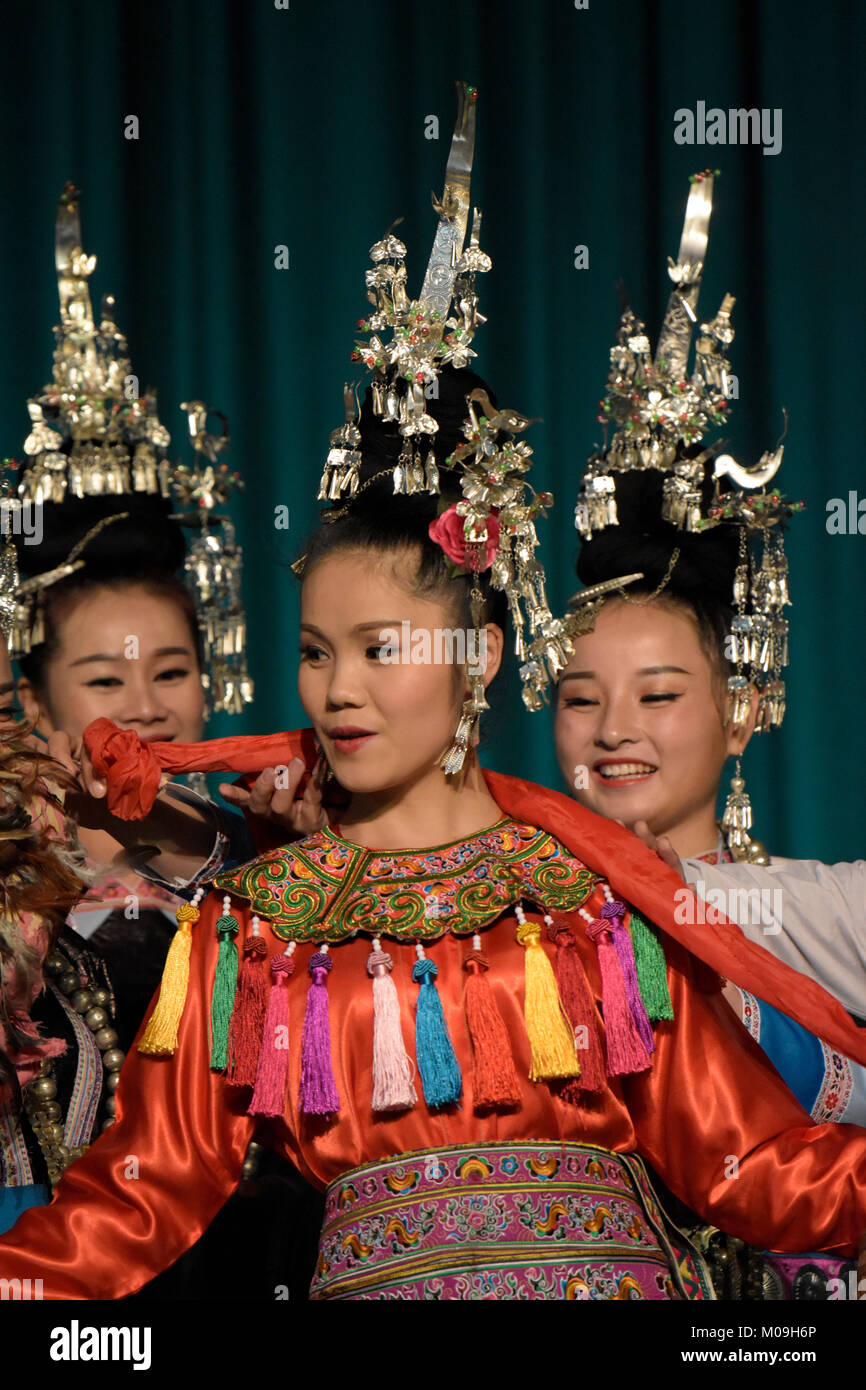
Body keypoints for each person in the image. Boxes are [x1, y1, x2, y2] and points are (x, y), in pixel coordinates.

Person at [2, 93, 866, 1300]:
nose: (337, 688)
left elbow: (760, 1172)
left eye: (378, 648)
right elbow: (137, 1195)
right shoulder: (251, 931)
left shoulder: (591, 906)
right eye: (314, 652)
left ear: (479, 656)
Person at [554, 169, 865, 1297]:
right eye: (579, 695)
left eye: (657, 692)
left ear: (741, 707)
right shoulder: (518, 911)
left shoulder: (810, 914)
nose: (612, 728)